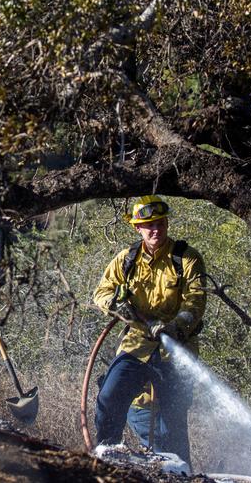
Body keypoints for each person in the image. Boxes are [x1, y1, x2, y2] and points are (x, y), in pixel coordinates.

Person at [92, 195, 206, 464]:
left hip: (176, 351)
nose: (156, 230)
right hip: (137, 344)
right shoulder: (126, 260)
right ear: (137, 228)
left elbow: (196, 300)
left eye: (161, 223)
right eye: (149, 225)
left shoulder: (186, 258)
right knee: (109, 397)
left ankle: (179, 474)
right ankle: (107, 457)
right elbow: (101, 292)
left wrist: (175, 326)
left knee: (171, 425)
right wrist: (117, 306)